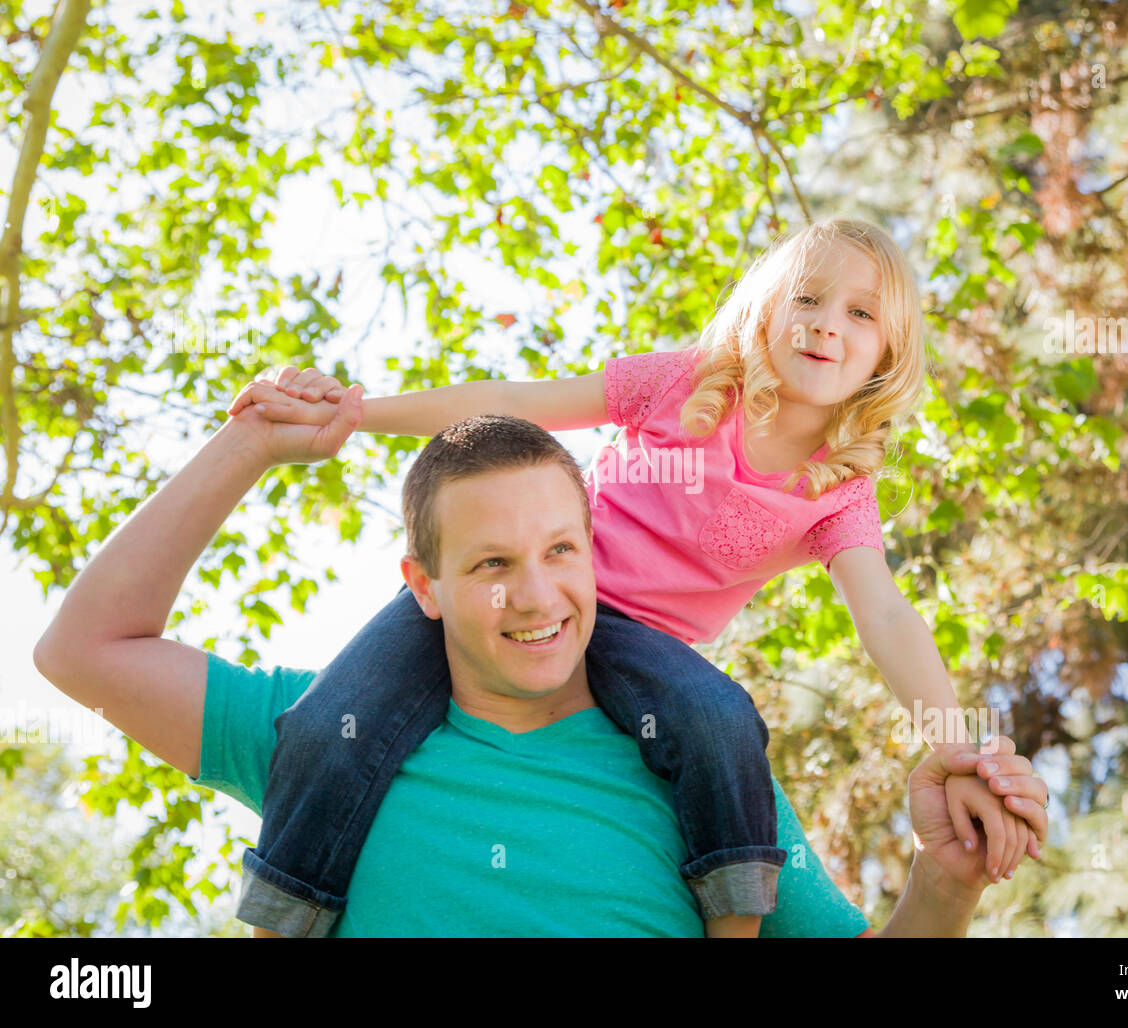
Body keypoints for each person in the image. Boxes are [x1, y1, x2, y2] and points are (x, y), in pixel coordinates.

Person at [228, 217, 1038, 939]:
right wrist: (357, 413)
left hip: (638, 648)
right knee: (325, 719)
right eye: (810, 300)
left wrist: (956, 747)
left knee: (721, 720)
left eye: (861, 314)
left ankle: (734, 922)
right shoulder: (686, 385)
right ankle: (287, 915)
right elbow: (514, 403)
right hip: (529, 590)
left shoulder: (838, 493)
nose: (828, 326)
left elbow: (887, 618)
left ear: (886, 352)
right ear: (766, 311)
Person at [33, 395, 1050, 936]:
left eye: (561, 551)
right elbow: (85, 648)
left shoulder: (703, 771)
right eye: (489, 564)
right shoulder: (325, 734)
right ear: (420, 585)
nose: (536, 595)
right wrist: (248, 440)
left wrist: (946, 884)